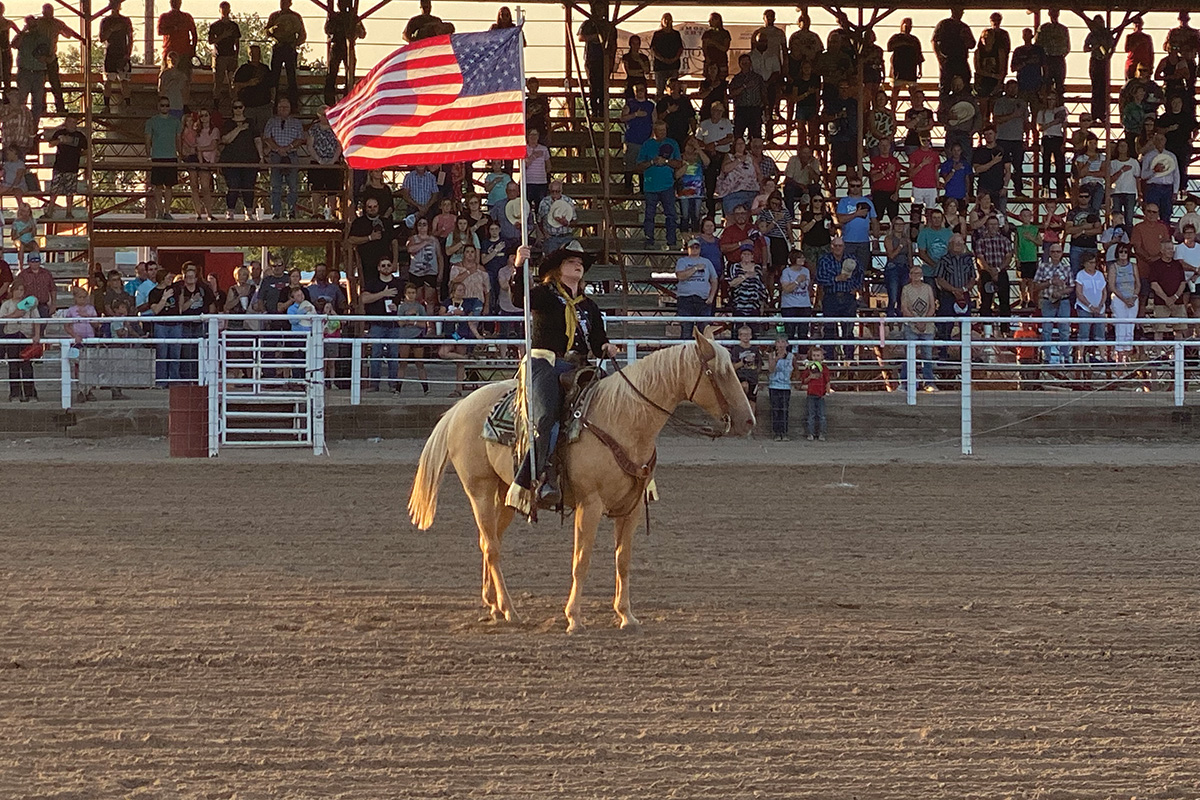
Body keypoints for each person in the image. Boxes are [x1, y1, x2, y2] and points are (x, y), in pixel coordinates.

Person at [508, 242, 617, 508]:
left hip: (579, 366)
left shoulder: (588, 306)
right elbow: (519, 298)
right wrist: (519, 267)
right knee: (547, 415)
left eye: (580, 263)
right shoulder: (545, 294)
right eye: (571, 262)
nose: (577, 266)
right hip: (545, 362)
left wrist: (606, 345)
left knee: (616, 401)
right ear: (557, 270)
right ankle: (537, 475)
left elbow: (597, 339)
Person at [361, 256, 404, 392]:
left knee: (394, 355)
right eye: (383, 265)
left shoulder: (399, 283)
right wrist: (383, 294)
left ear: (392, 267)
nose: (386, 268)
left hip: (394, 324)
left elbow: (407, 302)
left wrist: (398, 308)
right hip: (377, 324)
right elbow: (364, 299)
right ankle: (374, 385)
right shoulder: (372, 283)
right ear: (379, 268)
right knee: (375, 354)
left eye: (388, 265)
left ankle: (393, 385)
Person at [636, 120, 680, 250]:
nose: (662, 133)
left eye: (664, 130)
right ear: (654, 131)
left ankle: (671, 242)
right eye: (660, 130)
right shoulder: (647, 144)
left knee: (671, 214)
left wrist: (666, 161)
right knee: (649, 214)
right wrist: (651, 162)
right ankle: (649, 240)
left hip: (667, 185)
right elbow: (639, 166)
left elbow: (678, 163)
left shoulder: (672, 143)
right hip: (650, 185)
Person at [816, 236, 862, 362]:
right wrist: (835, 279)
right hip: (831, 297)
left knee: (848, 329)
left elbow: (860, 274)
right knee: (829, 329)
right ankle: (829, 359)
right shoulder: (824, 260)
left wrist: (856, 287)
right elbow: (819, 278)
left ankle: (849, 359)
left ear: (843, 247)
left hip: (848, 297)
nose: (837, 248)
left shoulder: (852, 259)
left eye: (840, 246)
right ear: (831, 247)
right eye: (835, 246)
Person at [262, 96, 304, 219]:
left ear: (290, 108)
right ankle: (276, 212)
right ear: (277, 108)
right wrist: (277, 148)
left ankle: (291, 212)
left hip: (291, 155)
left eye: (286, 107)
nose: (283, 109)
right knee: (276, 185)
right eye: (281, 107)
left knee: (293, 185)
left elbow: (300, 138)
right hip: (275, 155)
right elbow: (267, 137)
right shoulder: (271, 121)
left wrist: (288, 147)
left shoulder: (296, 122)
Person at [1034, 243, 1074, 364]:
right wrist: (1050, 282)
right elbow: (1036, 286)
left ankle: (1065, 356)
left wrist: (1060, 292)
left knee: (1064, 330)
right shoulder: (1043, 267)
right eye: (1053, 252)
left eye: (1058, 252)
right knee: (1047, 330)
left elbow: (1071, 287)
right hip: (1047, 300)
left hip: (1063, 301)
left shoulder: (1067, 268)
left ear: (1062, 253)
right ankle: (1047, 357)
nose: (1056, 254)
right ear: (1050, 254)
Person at [220, 99, 261, 219]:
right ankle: (230, 211)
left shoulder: (251, 122)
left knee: (248, 186)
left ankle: (249, 212)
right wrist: (239, 128)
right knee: (233, 186)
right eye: (235, 107)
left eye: (240, 107)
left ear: (244, 108)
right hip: (231, 161)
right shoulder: (228, 123)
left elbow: (257, 140)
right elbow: (225, 139)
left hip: (249, 160)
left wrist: (261, 156)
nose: (238, 109)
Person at [144, 96, 182, 220]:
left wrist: (180, 154)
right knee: (158, 185)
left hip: (171, 156)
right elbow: (147, 139)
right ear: (158, 106)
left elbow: (178, 139)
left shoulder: (175, 121)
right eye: (162, 105)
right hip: (157, 156)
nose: (165, 107)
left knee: (169, 186)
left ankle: (167, 211)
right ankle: (160, 211)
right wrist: (148, 155)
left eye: (167, 105)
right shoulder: (151, 121)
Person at [1, 275, 38, 401]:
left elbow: (37, 319)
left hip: (26, 335)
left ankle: (30, 393)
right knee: (13, 365)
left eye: (21, 290)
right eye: (17, 290)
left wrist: (37, 335)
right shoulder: (6, 304)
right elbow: (2, 319)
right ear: (12, 291)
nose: (19, 292)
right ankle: (15, 393)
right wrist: (13, 315)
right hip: (11, 335)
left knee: (27, 365)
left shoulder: (29, 303)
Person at [900, 265, 936, 390]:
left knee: (927, 354)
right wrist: (916, 321)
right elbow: (904, 307)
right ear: (910, 275)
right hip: (911, 325)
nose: (916, 275)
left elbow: (932, 306)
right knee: (910, 354)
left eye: (919, 273)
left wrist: (924, 320)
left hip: (927, 325)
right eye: (914, 273)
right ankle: (906, 382)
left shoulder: (928, 288)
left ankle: (929, 382)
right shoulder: (906, 289)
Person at [346, 197, 397, 286]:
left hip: (385, 263)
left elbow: (394, 242)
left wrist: (395, 262)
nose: (372, 209)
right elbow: (351, 239)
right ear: (365, 208)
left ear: (378, 207)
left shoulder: (386, 222)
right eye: (369, 207)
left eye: (375, 206)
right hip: (367, 263)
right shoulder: (359, 222)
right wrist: (369, 238)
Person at [673, 238, 717, 339]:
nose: (695, 249)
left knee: (704, 329)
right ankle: (686, 349)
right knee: (686, 329)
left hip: (703, 300)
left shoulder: (707, 262)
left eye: (697, 247)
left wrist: (711, 297)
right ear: (688, 249)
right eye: (692, 247)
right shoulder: (682, 261)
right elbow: (680, 276)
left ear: (700, 249)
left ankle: (703, 349)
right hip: (685, 299)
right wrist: (695, 268)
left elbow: (714, 280)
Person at [324, 0, 365, 105]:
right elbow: (328, 29)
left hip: (343, 47)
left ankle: (339, 100)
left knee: (342, 75)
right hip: (340, 46)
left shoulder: (348, 17)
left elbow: (362, 34)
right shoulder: (341, 17)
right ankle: (336, 101)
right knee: (336, 75)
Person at [266, 0, 305, 107]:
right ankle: (272, 104)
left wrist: (294, 44)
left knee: (292, 77)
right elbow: (266, 32)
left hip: (289, 49)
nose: (283, 4)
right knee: (274, 77)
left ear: (290, 3)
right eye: (282, 2)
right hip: (278, 48)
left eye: (285, 2)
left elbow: (302, 35)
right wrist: (273, 29)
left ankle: (293, 104)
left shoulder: (296, 16)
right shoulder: (274, 16)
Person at [308, 106, 344, 219]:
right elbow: (310, 146)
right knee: (316, 188)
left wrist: (333, 160)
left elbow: (339, 146)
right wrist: (319, 159)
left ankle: (331, 212)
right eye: (324, 115)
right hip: (317, 161)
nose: (326, 117)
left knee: (332, 188)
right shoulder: (314, 129)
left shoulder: (337, 128)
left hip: (333, 162)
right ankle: (315, 212)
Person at [974, 215, 1014, 320]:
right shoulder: (981, 241)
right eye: (991, 224)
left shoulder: (1005, 240)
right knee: (986, 301)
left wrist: (998, 270)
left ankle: (1005, 326)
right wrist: (990, 270)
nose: (993, 227)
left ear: (998, 225)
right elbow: (980, 258)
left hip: (1001, 271)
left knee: (1004, 301)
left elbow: (1008, 257)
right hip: (986, 273)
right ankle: (986, 326)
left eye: (995, 224)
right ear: (987, 226)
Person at [576, 10, 613, 117]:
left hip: (604, 59)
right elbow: (580, 37)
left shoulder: (608, 25)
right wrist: (595, 37)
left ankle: (602, 110)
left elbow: (613, 42)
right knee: (593, 85)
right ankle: (594, 110)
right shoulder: (588, 23)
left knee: (603, 86)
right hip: (592, 58)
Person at [619, 81, 654, 193]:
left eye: (641, 90)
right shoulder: (630, 104)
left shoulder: (650, 105)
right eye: (637, 90)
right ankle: (628, 187)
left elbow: (655, 121)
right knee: (629, 164)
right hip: (632, 139)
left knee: (643, 165)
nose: (639, 92)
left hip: (645, 140)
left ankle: (643, 189)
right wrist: (635, 115)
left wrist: (652, 137)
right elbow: (622, 118)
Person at [932, 6, 974, 97]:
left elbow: (972, 45)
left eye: (961, 12)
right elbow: (934, 41)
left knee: (965, 83)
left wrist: (966, 37)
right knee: (945, 86)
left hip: (961, 60)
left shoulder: (964, 27)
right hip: (948, 60)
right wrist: (939, 57)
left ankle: (964, 102)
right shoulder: (944, 24)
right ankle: (944, 104)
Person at [99, 0, 134, 111]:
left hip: (122, 53)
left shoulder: (125, 20)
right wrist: (111, 30)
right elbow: (102, 38)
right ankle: (106, 106)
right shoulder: (105, 21)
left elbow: (130, 38)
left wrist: (128, 54)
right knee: (108, 81)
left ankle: (128, 105)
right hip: (110, 54)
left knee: (124, 81)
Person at [1108, 243, 1139, 360]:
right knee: (1121, 324)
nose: (1123, 254)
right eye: (1121, 251)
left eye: (1125, 252)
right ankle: (1119, 353)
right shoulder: (1113, 267)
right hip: (1119, 298)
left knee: (1130, 325)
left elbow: (1138, 283)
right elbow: (1112, 285)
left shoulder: (1133, 266)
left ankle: (1128, 352)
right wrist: (1124, 299)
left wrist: (1134, 297)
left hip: (1132, 298)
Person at [207, 1, 240, 112]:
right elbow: (211, 41)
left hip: (231, 56)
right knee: (218, 83)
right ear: (220, 10)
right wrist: (222, 36)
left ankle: (235, 104)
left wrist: (236, 56)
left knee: (233, 82)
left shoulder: (234, 26)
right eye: (223, 8)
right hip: (219, 57)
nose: (225, 10)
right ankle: (216, 106)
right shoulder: (215, 26)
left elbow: (237, 42)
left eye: (227, 8)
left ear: (229, 10)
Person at [233, 44, 273, 132]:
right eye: (253, 53)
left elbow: (272, 86)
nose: (255, 55)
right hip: (248, 107)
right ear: (249, 54)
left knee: (264, 131)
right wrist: (248, 83)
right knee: (248, 131)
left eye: (257, 53)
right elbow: (236, 86)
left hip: (264, 106)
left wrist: (272, 101)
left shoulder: (265, 69)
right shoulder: (243, 69)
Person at [1141, 133, 1180, 224]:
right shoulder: (1148, 156)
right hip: (1153, 187)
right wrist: (1154, 170)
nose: (1159, 142)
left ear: (1165, 141)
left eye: (1161, 139)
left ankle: (1164, 231)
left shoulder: (1171, 156)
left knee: (1166, 213)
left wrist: (1175, 191)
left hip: (1167, 188)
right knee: (1151, 213)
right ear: (1154, 142)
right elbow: (1143, 175)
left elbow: (1176, 175)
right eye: (1157, 139)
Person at [728, 53, 765, 143]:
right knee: (738, 135)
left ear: (751, 63)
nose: (745, 64)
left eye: (747, 62)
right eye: (743, 62)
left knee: (756, 136)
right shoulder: (736, 79)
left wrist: (764, 108)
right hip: (741, 110)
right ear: (739, 64)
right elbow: (732, 93)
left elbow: (763, 93)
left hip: (755, 110)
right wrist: (744, 86)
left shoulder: (757, 78)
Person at [887, 18, 923, 107]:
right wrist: (902, 43)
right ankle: (893, 111)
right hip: (897, 70)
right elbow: (889, 48)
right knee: (895, 92)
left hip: (911, 70)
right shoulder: (896, 37)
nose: (907, 27)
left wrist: (920, 70)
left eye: (909, 25)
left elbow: (919, 56)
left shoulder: (914, 40)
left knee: (913, 91)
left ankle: (915, 109)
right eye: (906, 25)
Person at [766, 337, 795, 441]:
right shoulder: (771, 355)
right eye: (778, 342)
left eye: (783, 342)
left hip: (786, 386)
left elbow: (795, 369)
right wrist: (776, 359)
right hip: (774, 385)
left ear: (787, 344)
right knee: (775, 410)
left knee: (784, 410)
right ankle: (776, 432)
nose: (781, 344)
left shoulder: (791, 356)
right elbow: (771, 369)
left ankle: (784, 432)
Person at [156, 0, 196, 75]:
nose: (175, 3)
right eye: (173, 1)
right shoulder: (165, 17)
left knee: (184, 76)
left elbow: (194, 34)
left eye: (177, 1)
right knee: (167, 75)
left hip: (183, 52)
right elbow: (160, 31)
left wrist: (192, 49)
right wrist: (174, 29)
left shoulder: (186, 17)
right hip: (170, 52)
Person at [1035, 9, 1070, 92]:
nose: (1054, 14)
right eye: (1052, 12)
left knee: (1060, 84)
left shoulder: (1063, 29)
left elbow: (1067, 46)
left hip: (1059, 58)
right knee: (1047, 83)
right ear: (1049, 14)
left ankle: (1059, 99)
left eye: (1056, 12)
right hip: (1048, 59)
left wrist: (1061, 55)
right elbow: (1038, 44)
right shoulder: (1043, 28)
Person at [779, 249, 812, 338]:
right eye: (799, 258)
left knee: (803, 334)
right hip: (789, 306)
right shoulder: (786, 271)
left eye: (803, 257)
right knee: (789, 333)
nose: (803, 259)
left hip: (804, 305)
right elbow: (786, 289)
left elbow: (808, 287)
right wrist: (797, 281)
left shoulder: (806, 271)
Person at [799, 346, 828, 441]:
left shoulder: (824, 368)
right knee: (811, 415)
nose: (816, 357)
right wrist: (810, 377)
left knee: (822, 416)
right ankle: (810, 433)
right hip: (811, 394)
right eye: (814, 355)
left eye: (818, 355)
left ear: (822, 357)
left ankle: (822, 433)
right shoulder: (809, 368)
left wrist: (827, 391)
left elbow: (827, 381)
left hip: (821, 394)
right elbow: (803, 381)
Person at [649, 13, 682, 96]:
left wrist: (674, 59)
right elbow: (653, 49)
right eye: (665, 19)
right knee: (660, 91)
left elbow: (680, 48)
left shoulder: (676, 34)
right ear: (662, 21)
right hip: (660, 67)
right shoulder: (657, 34)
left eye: (669, 19)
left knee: (674, 90)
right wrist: (662, 59)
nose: (667, 21)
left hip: (673, 66)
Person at [728, 324, 761, 402]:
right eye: (743, 335)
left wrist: (757, 374)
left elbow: (759, 364)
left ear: (751, 336)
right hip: (741, 377)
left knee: (752, 402)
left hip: (753, 378)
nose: (746, 337)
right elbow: (732, 367)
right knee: (744, 386)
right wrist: (744, 362)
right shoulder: (736, 350)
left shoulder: (755, 349)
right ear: (739, 336)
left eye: (748, 334)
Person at [701, 12, 731, 78]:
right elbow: (704, 47)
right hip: (710, 60)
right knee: (709, 78)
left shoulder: (725, 33)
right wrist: (707, 58)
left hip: (721, 60)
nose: (709, 22)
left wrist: (713, 42)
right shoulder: (707, 33)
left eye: (712, 20)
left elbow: (725, 48)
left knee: (722, 77)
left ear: (718, 20)